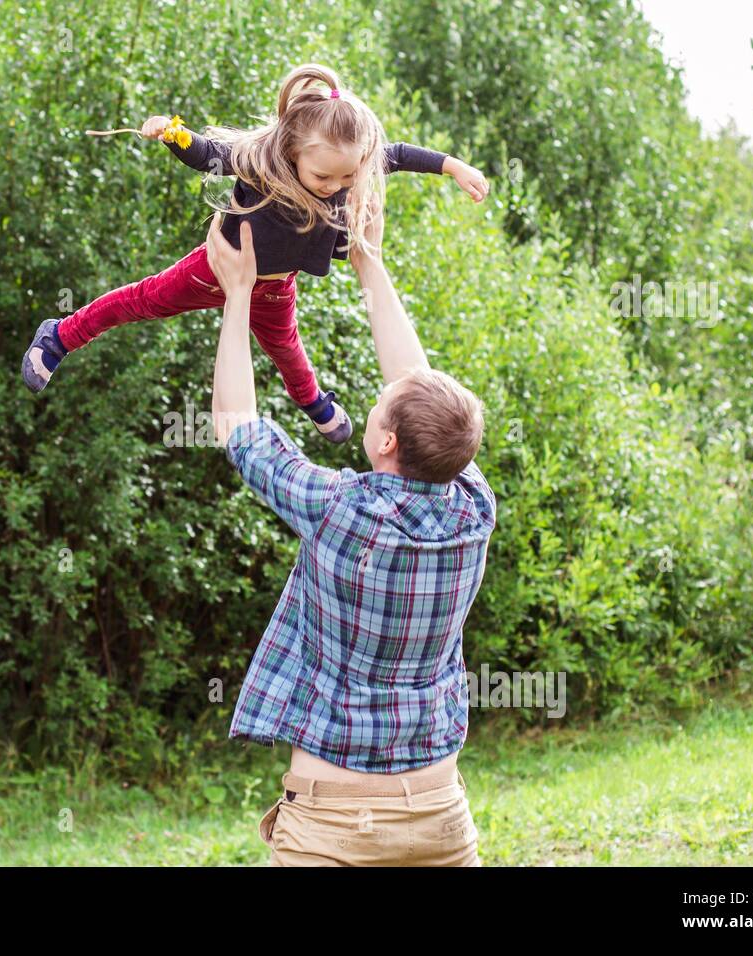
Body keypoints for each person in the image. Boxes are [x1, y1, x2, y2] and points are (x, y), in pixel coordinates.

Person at [205, 195, 496, 866]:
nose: (388, 389)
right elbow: (419, 384)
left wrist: (238, 297)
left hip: (333, 822)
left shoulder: (338, 507)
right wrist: (366, 260)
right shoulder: (473, 509)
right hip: (440, 815)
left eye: (381, 404)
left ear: (385, 441)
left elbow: (237, 428)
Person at [22, 62, 488, 444]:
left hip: (274, 284)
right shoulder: (259, 159)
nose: (335, 187)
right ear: (292, 150)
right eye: (323, 177)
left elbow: (399, 155)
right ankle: (61, 335)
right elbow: (207, 153)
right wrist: (172, 133)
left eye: (344, 180)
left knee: (287, 348)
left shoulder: (345, 161)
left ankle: (313, 402)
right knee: (142, 301)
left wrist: (452, 166)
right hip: (220, 268)